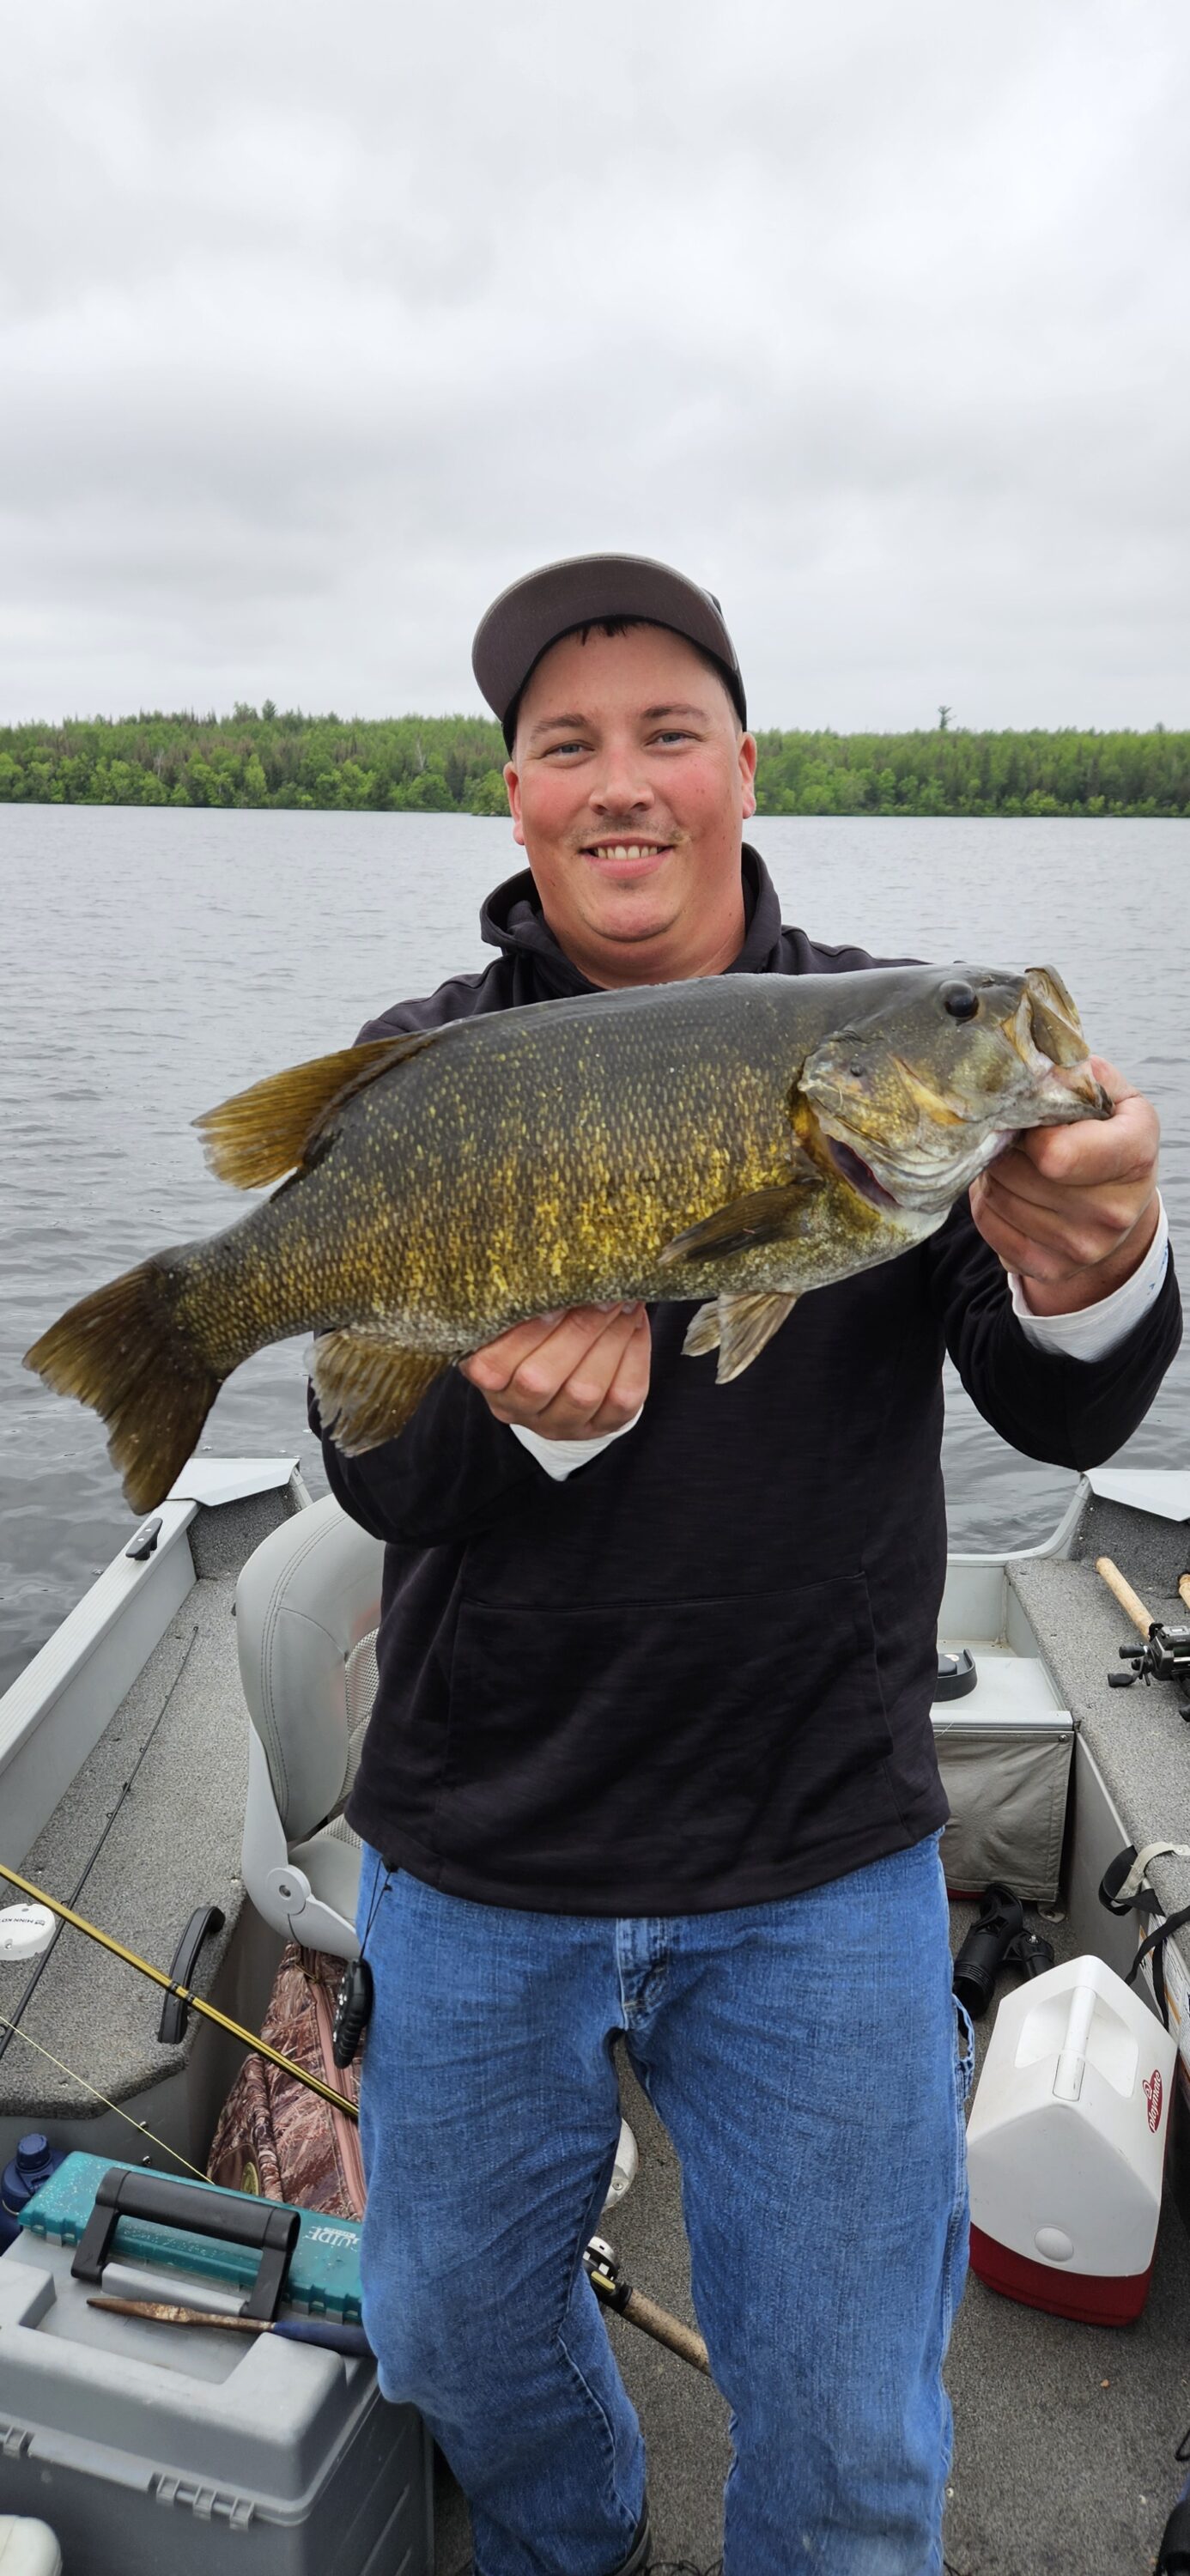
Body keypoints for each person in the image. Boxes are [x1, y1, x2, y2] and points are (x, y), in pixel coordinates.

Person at [311, 556, 1180, 2576]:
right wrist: (515, 1415)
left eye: (668, 732)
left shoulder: (898, 1043)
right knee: (442, 2334)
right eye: (567, 743)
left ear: (741, 770)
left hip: (820, 1853)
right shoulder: (436, 1061)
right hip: (482, 1841)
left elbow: (1062, 1415)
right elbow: (374, 1478)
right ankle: (581, 2530)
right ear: (515, 801)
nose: (623, 783)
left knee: (863, 2432)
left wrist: (1100, 1270)